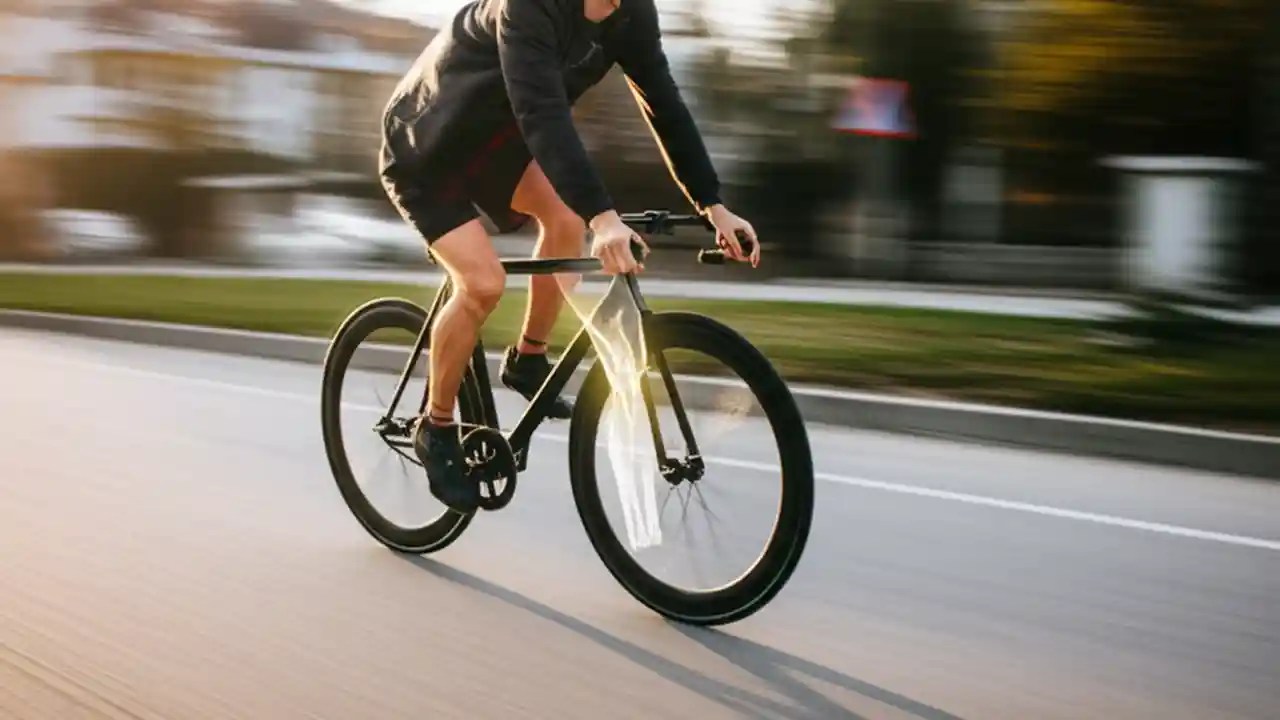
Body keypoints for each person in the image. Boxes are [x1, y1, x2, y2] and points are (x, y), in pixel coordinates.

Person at [379, 0, 760, 513]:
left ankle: (527, 359)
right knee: (483, 284)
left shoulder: (631, 14)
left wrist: (713, 205)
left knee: (564, 222)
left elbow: (664, 104)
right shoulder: (529, 7)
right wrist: (604, 219)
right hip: (428, 146)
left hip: (500, 144)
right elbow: (543, 113)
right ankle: (437, 425)